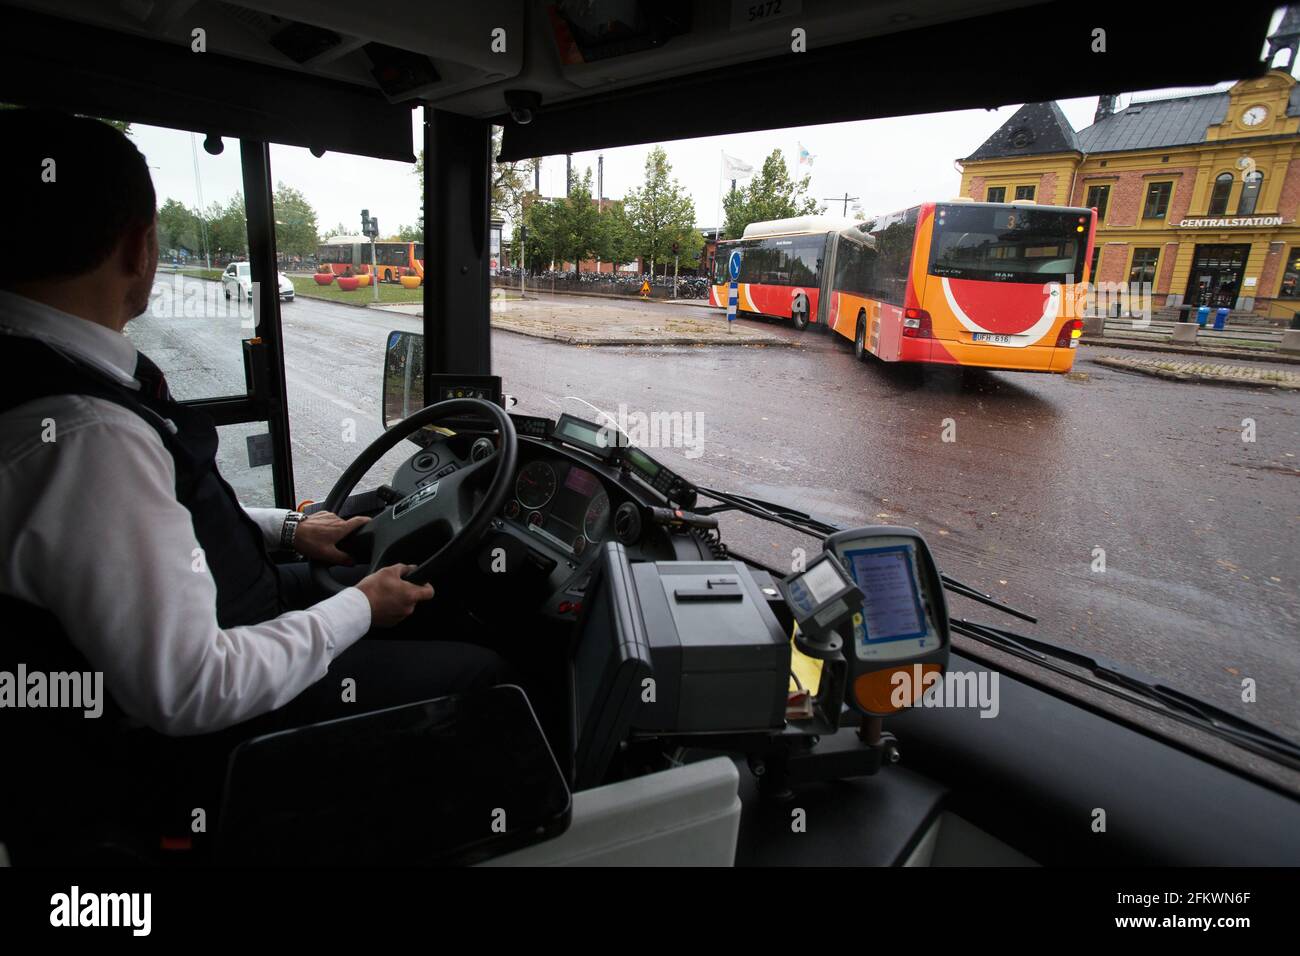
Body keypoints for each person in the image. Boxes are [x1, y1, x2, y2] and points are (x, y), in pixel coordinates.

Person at [0, 110, 505, 855]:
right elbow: (190, 686)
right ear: (140, 247)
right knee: (485, 676)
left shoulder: (45, 373)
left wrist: (292, 530)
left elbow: (173, 513)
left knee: (362, 532)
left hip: (220, 622)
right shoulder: (86, 435)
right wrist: (359, 610)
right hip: (207, 745)